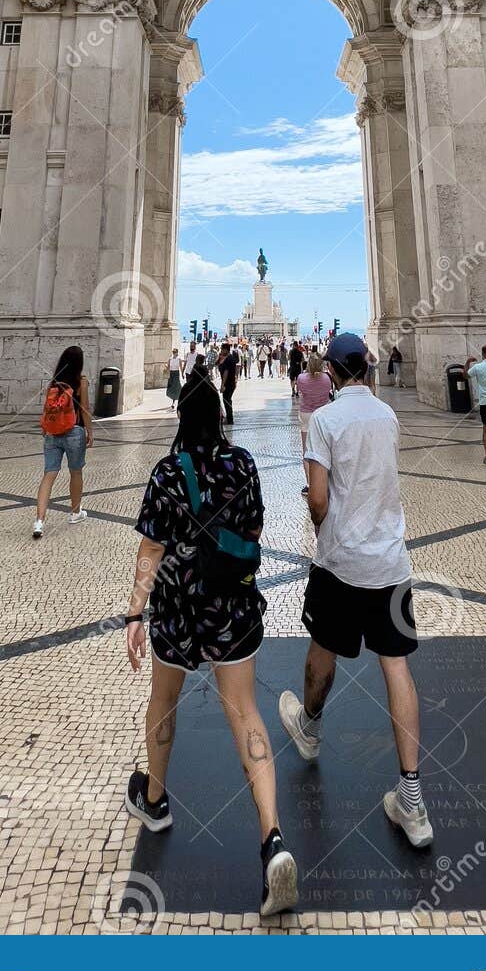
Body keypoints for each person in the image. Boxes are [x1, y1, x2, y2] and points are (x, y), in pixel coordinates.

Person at [124, 367, 298, 916]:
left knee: (163, 703)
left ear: (180, 416)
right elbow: (252, 535)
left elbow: (149, 553)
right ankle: (273, 838)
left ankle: (155, 800)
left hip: (176, 612)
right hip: (232, 609)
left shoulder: (165, 472)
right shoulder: (244, 464)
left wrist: (135, 613)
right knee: (247, 713)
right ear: (221, 416)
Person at [278, 332, 431, 849]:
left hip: (341, 562)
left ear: (335, 375)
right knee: (397, 666)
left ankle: (311, 727)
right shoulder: (387, 417)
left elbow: (319, 498)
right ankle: (411, 799)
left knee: (323, 647)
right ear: (365, 369)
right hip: (390, 561)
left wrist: (321, 523)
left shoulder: (325, 420)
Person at [33, 346, 92, 538]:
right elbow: (84, 409)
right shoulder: (81, 382)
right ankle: (76, 512)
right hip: (74, 432)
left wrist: (45, 428)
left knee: (48, 475)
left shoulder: (54, 383)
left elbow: (46, 409)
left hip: (52, 433)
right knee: (75, 472)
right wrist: (90, 431)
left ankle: (39, 521)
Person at [296, 350, 332, 495]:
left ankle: (310, 484)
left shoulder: (301, 378)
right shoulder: (327, 378)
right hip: (323, 414)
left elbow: (301, 393)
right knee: (324, 448)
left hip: (306, 414)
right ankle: (326, 482)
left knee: (307, 450)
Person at [217, 340, 238, 427]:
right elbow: (216, 363)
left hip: (228, 383)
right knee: (227, 400)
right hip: (231, 382)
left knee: (227, 400)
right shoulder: (228, 358)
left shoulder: (229, 359)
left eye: (222, 349)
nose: (221, 351)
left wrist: (222, 385)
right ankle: (229, 418)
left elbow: (226, 372)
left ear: (226, 350)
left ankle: (230, 419)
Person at [165, 346, 182, 411]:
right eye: (173, 352)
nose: (174, 353)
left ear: (177, 353)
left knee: (176, 387)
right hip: (171, 374)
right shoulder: (170, 359)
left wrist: (182, 374)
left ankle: (174, 402)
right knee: (171, 387)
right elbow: (168, 366)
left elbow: (180, 367)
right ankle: (174, 400)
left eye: (175, 352)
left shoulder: (179, 359)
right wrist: (166, 366)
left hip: (176, 373)